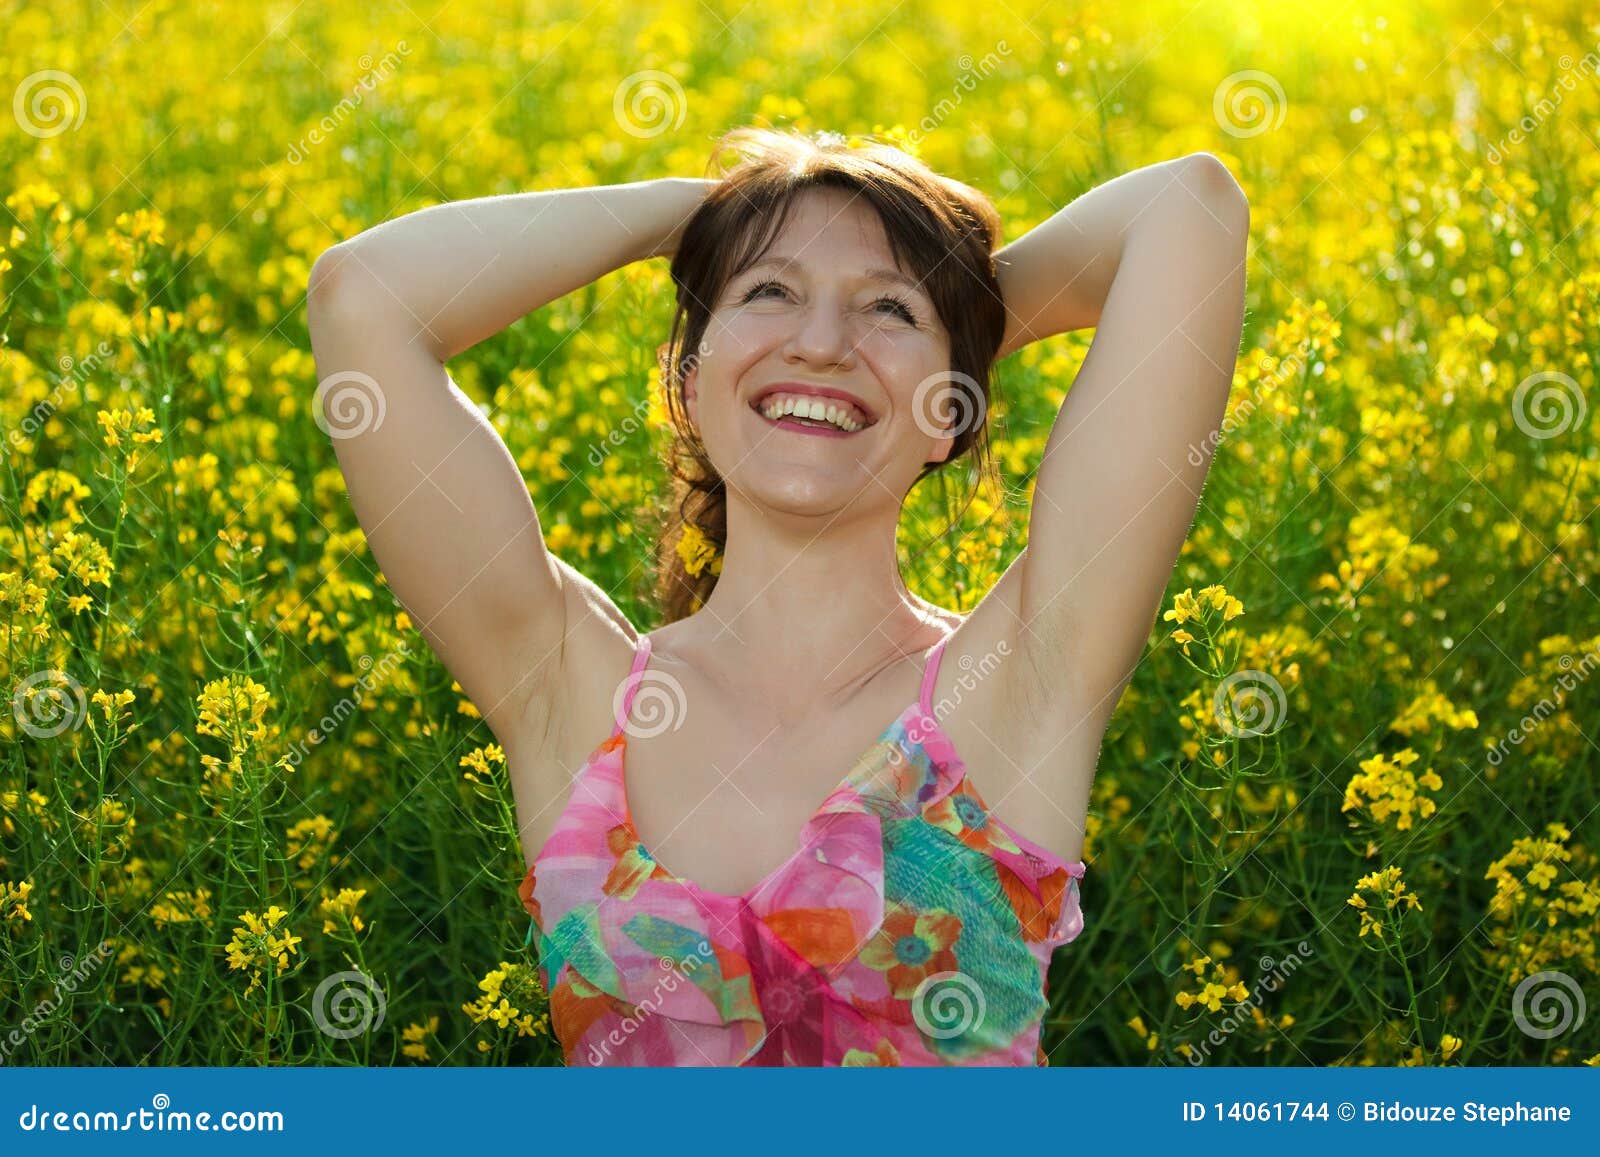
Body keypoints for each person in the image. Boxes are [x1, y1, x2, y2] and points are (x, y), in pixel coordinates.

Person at [305, 126, 1249, 1065]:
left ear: (951, 417)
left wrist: (951, 316)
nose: (823, 343)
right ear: (688, 385)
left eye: (887, 309)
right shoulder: (570, 690)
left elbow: (1188, 208)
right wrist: (702, 217)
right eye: (769, 293)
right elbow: (363, 298)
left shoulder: (1019, 681)